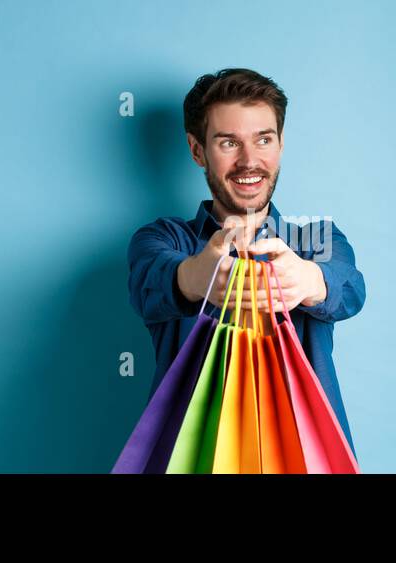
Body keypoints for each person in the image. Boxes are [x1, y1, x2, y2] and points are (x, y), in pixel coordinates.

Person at [126, 68, 367, 456]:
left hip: (302, 458)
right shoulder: (162, 238)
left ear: (281, 144)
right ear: (197, 150)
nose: (249, 160)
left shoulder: (316, 238)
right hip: (190, 458)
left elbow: (350, 285)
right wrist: (196, 277)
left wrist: (307, 280)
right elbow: (152, 279)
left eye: (263, 140)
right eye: (228, 143)